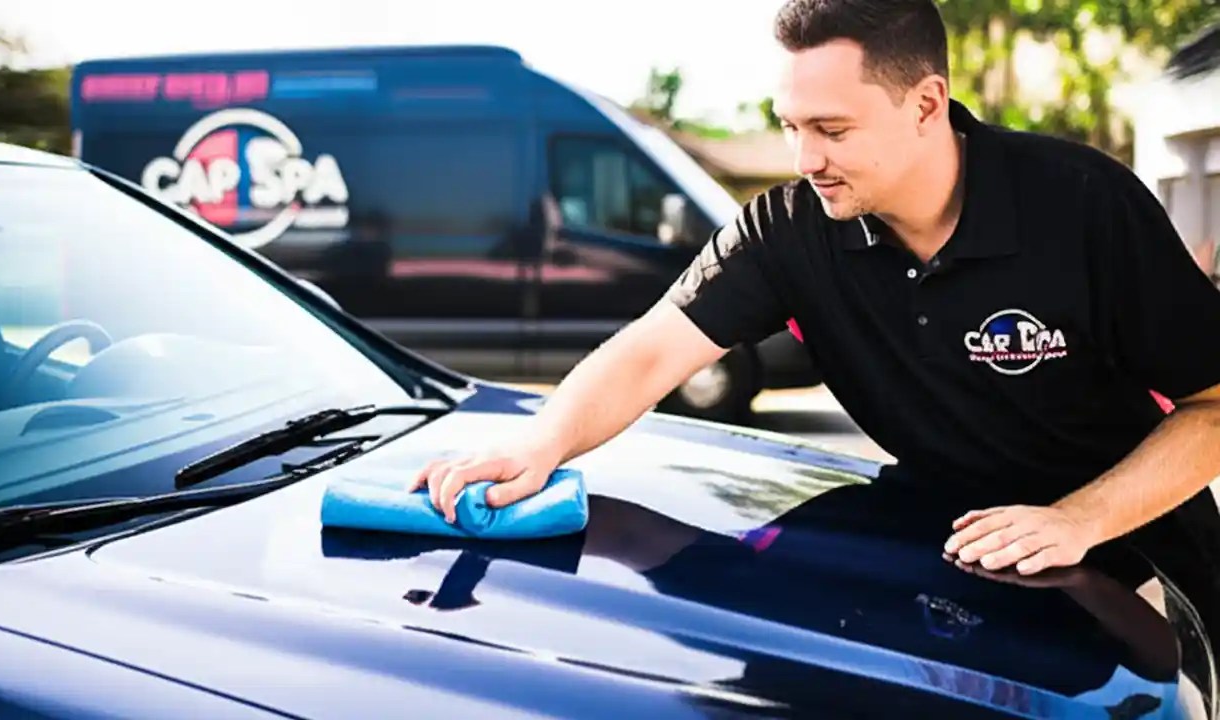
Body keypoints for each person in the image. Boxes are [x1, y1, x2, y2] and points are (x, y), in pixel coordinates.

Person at [411, 0, 1220, 643]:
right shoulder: (792, 227)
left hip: (1141, 572)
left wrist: (1079, 519)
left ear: (927, 103)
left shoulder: (1081, 205)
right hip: (949, 575)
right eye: (794, 125)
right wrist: (536, 443)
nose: (804, 158)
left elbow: (1213, 406)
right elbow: (653, 348)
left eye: (832, 130)